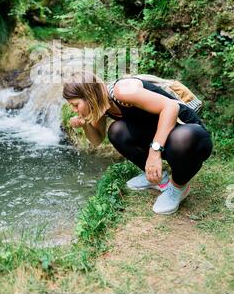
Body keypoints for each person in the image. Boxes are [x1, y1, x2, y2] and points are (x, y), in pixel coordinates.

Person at [62, 71, 213, 215]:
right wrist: (85, 124)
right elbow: (97, 140)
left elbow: (171, 107)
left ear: (90, 96)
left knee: (183, 138)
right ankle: (158, 179)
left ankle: (178, 187)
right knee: (116, 131)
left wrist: (154, 153)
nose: (75, 110)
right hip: (164, 138)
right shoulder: (102, 106)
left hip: (190, 137)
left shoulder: (122, 90)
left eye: (76, 104)